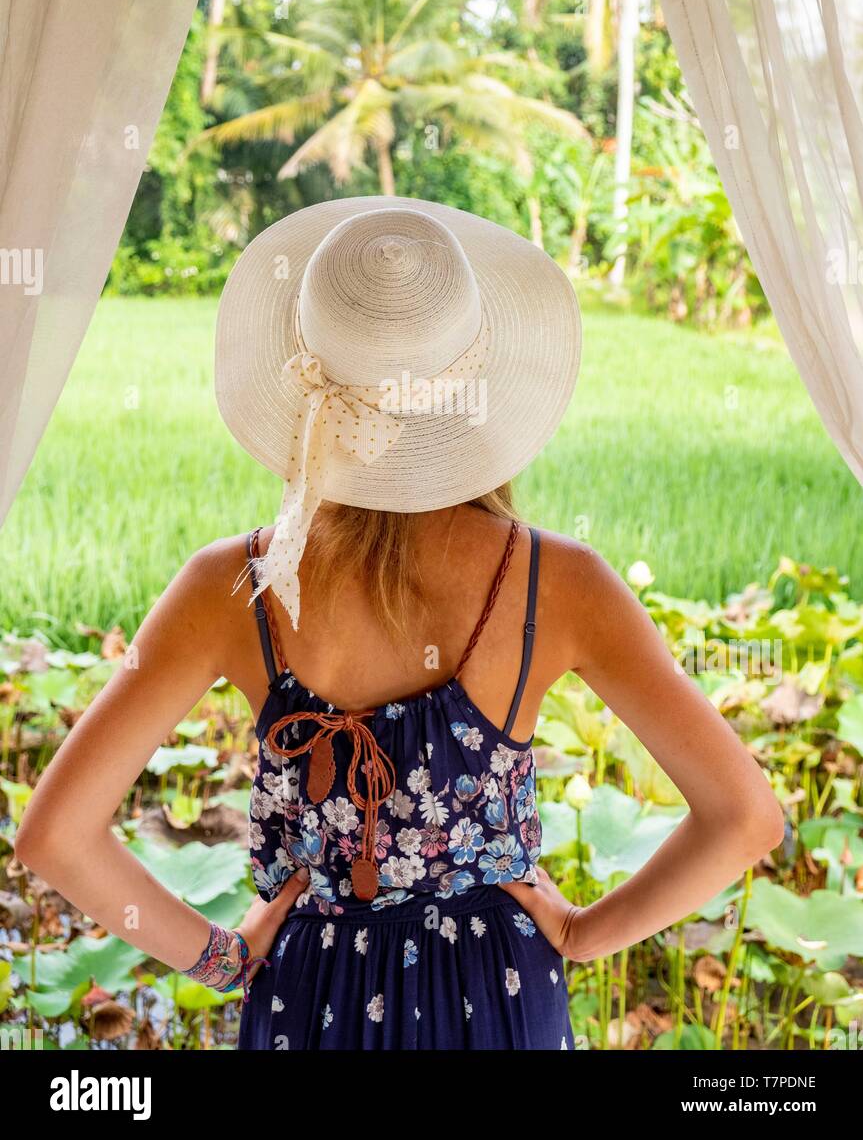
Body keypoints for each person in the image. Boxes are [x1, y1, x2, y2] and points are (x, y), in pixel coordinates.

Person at [16, 195, 784, 1050]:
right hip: (496, 999)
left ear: (304, 378)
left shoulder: (229, 586)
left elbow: (55, 836)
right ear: (478, 385)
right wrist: (582, 932)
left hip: (311, 996)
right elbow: (746, 816)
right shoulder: (552, 585)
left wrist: (224, 961)